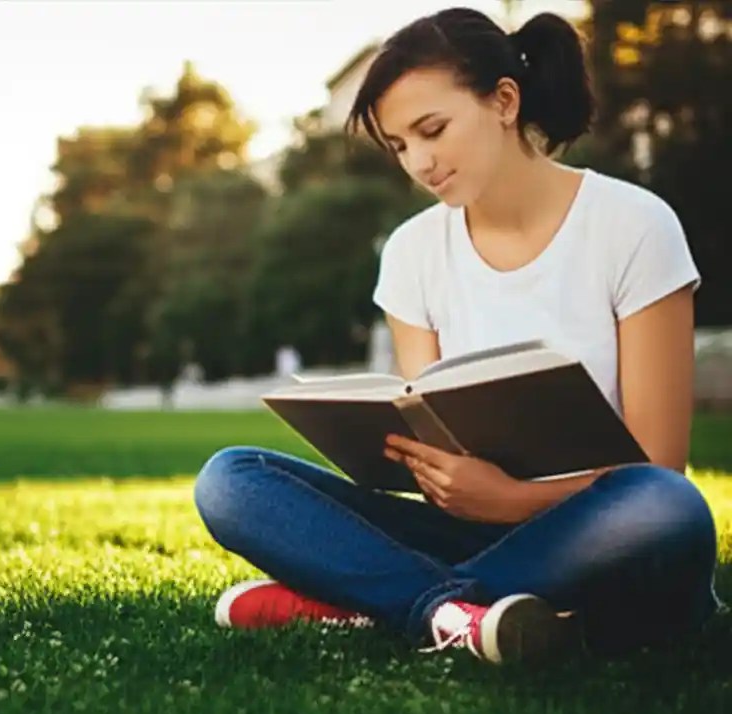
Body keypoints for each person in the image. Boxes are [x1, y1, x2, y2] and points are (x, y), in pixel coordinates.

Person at [193, 7, 722, 665]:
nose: (419, 161)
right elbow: (428, 422)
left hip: (607, 537)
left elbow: (658, 462)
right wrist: (440, 475)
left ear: (504, 100)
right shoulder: (413, 252)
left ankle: (385, 604)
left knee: (668, 504)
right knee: (232, 479)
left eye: (432, 130)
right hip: (467, 534)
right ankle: (465, 613)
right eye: (400, 145)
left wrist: (510, 500)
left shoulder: (636, 227)